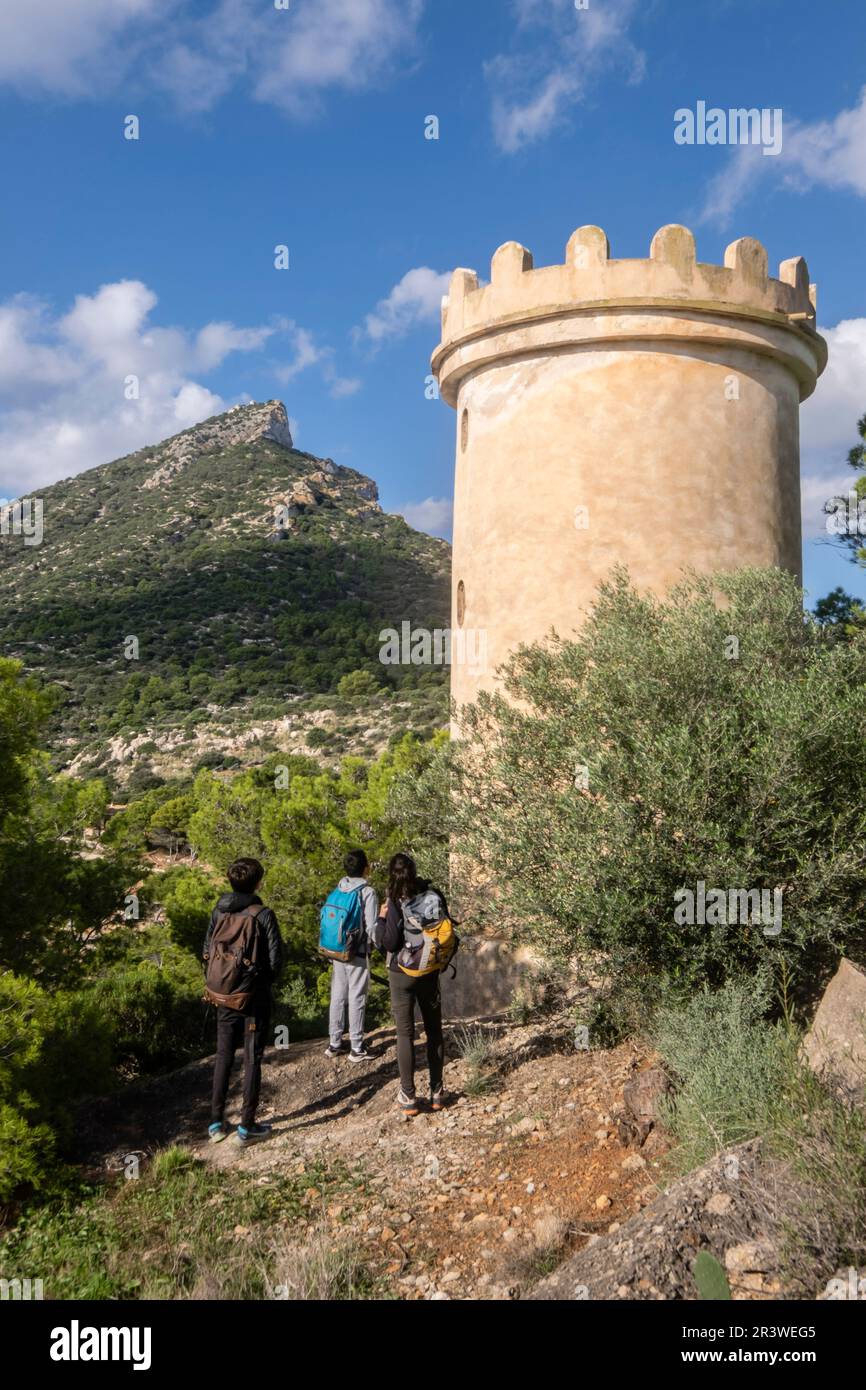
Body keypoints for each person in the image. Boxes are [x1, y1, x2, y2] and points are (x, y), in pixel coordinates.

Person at [203, 857, 283, 1146]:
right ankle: (246, 1127)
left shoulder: (218, 912)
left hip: (223, 996)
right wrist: (257, 984)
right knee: (252, 1059)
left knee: (223, 1055)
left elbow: (206, 952)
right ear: (258, 882)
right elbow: (275, 961)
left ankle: (215, 1122)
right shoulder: (263, 915)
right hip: (253, 998)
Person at [376, 852, 447, 1117]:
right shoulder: (431, 894)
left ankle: (408, 1095)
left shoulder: (394, 901)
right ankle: (437, 1091)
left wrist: (381, 919)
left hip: (402, 973)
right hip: (429, 970)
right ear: (414, 871)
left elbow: (391, 943)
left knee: (405, 1033)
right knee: (434, 1030)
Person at [324, 849, 379, 1061]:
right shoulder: (367, 892)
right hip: (356, 951)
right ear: (365, 868)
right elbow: (371, 926)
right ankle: (357, 1047)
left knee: (338, 995)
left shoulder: (339, 888)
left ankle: (335, 1042)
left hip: (336, 950)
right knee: (357, 996)